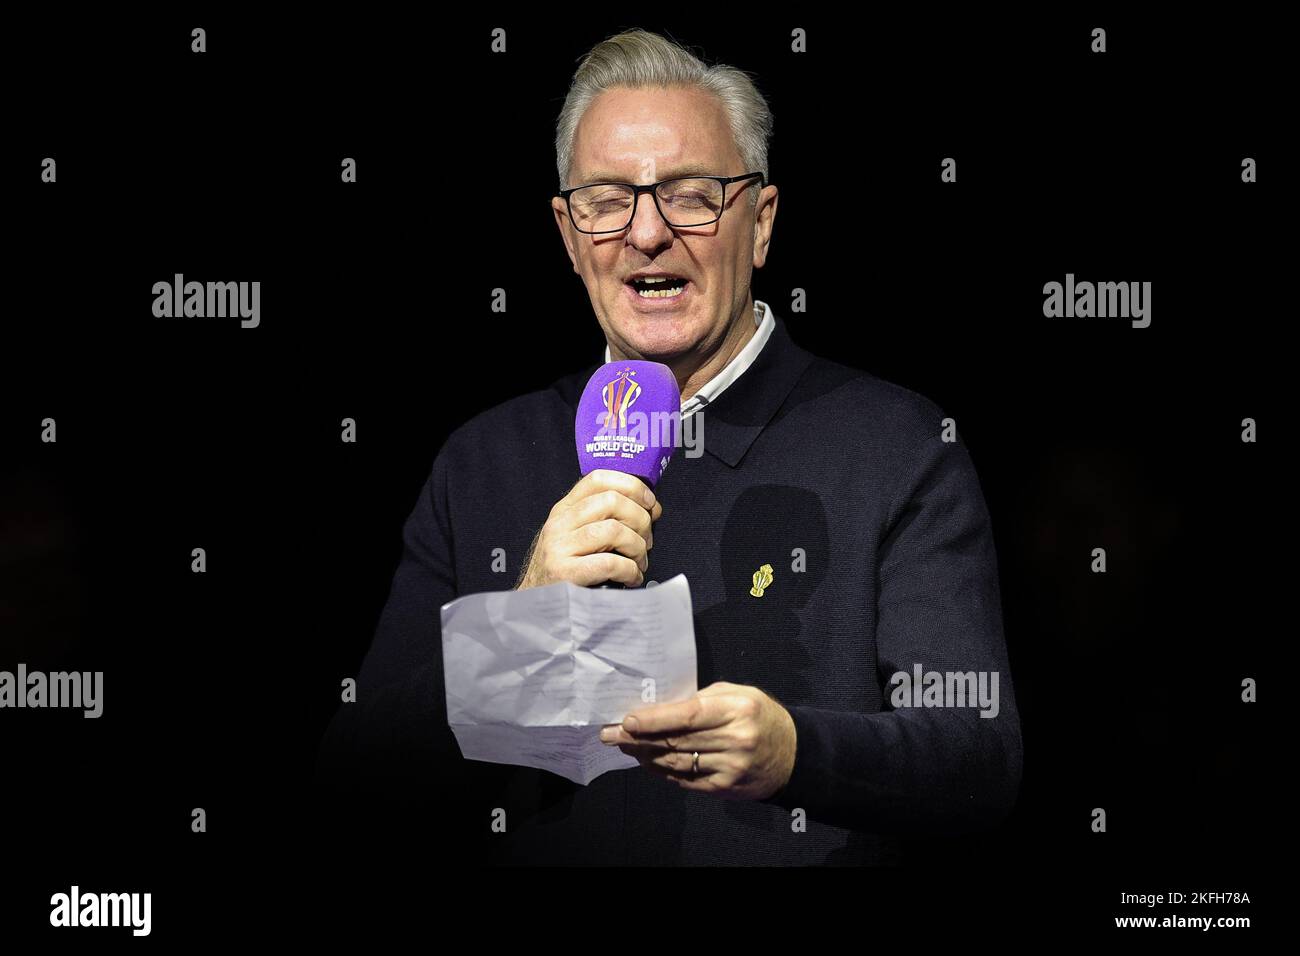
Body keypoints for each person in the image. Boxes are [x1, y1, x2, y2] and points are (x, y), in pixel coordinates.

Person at [317, 28, 1021, 865]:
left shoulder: (900, 446)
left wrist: (796, 752)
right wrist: (523, 623)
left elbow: (979, 759)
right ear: (570, 237)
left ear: (760, 224)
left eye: (691, 194)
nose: (647, 234)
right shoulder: (481, 460)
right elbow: (354, 786)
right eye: (608, 201)